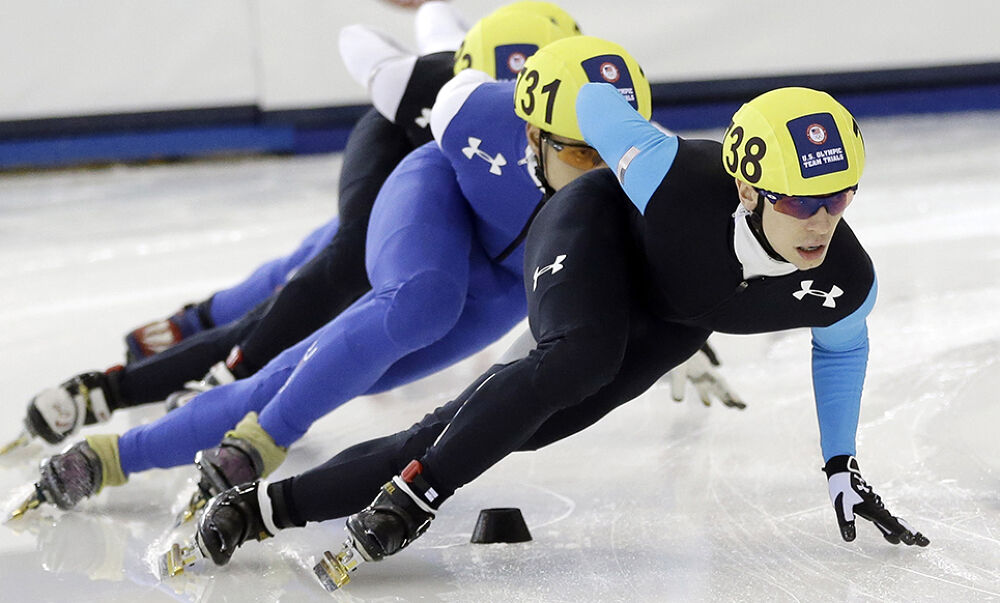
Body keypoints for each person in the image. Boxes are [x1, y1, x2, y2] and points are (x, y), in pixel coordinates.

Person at [185, 40, 929, 583]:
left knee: (513, 426)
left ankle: (264, 508)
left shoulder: (844, 276)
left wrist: (840, 463)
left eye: (840, 198)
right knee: (579, 355)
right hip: (592, 229)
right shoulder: (664, 172)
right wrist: (493, 73)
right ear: (746, 189)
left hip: (675, 314)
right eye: (803, 201)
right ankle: (415, 496)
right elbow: (594, 101)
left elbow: (840, 346)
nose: (822, 222)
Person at [11, 13, 600, 520]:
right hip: (434, 186)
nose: (587, 169)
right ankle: (257, 424)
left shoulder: (623, 186)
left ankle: (115, 456)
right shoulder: (466, 100)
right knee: (397, 292)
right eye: (569, 147)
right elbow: (373, 56)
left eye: (600, 152)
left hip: (500, 282)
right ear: (527, 118)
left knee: (324, 370)